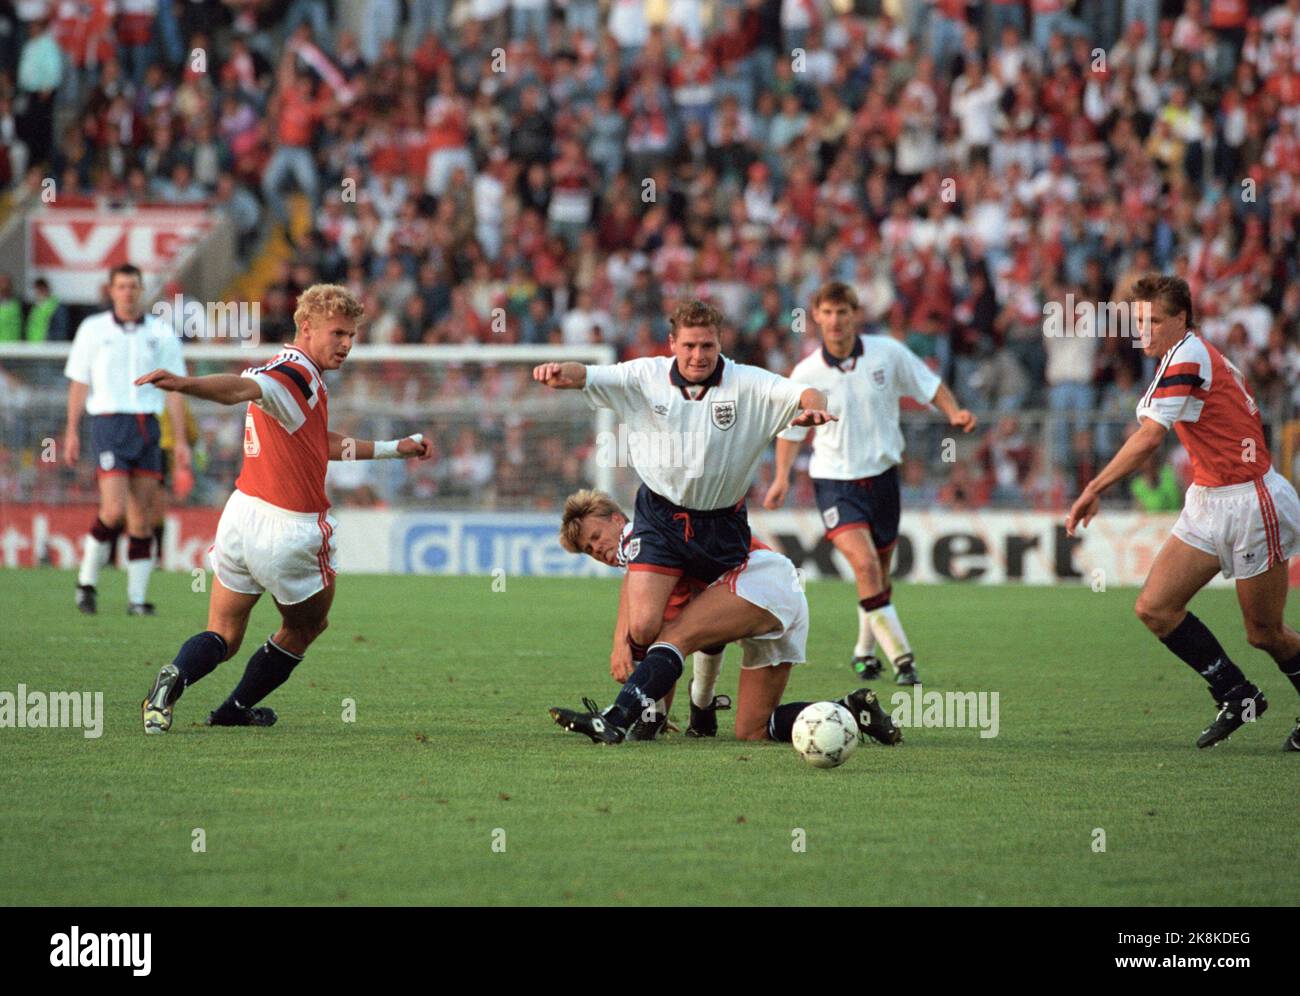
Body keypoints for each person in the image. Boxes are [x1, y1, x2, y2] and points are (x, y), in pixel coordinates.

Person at [135, 284, 432, 733]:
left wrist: (395, 448)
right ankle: (234, 709)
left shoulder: (283, 368)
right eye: (338, 333)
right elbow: (238, 390)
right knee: (306, 627)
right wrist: (186, 383)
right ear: (307, 327)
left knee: (223, 633)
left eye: (352, 335)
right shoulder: (296, 376)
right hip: (290, 529)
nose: (347, 344)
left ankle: (173, 678)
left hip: (241, 515)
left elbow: (318, 444)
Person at [534, 299, 835, 736]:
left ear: (720, 343)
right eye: (689, 345)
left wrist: (814, 408)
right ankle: (646, 718)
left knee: (699, 631)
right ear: (672, 343)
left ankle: (696, 707)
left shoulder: (747, 383)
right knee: (645, 625)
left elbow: (801, 392)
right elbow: (593, 375)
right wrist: (563, 372)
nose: (698, 355)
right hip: (660, 516)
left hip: (721, 524)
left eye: (707, 346)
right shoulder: (645, 376)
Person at [1066, 274, 1300, 751]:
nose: (1144, 331)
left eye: (1154, 321)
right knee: (1155, 607)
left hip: (1251, 500)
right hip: (1209, 499)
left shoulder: (1189, 356)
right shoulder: (1180, 357)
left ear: (1181, 319)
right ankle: (1237, 694)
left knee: (1264, 632)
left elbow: (1151, 438)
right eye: (1138, 321)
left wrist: (1094, 486)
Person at [552, 488, 901, 747]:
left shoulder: (639, 537)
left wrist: (650, 712)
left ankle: (612, 720)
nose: (596, 548)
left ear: (618, 519)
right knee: (754, 730)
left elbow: (651, 631)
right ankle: (852, 710)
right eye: (588, 549)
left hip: (759, 580)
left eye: (596, 536)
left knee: (671, 639)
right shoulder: (647, 552)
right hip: (782, 596)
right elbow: (648, 599)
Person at [765, 282, 977, 684]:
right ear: (816, 317)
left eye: (842, 312)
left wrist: (954, 412)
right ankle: (904, 661)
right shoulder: (807, 373)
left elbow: (928, 384)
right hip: (834, 481)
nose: (835, 321)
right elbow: (791, 432)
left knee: (878, 575)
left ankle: (864, 653)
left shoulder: (887, 353)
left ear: (854, 314)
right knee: (863, 564)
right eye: (827, 313)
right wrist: (780, 478)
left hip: (882, 479)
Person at [63, 263, 191, 615]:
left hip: (147, 427)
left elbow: (176, 390)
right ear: (111, 290)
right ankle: (86, 581)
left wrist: (180, 441)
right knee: (114, 510)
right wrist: (71, 430)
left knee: (141, 519)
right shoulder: (93, 329)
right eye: (121, 286)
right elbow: (79, 382)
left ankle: (137, 599)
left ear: (141, 289)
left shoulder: (162, 332)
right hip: (108, 424)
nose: (128, 292)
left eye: (133, 286)